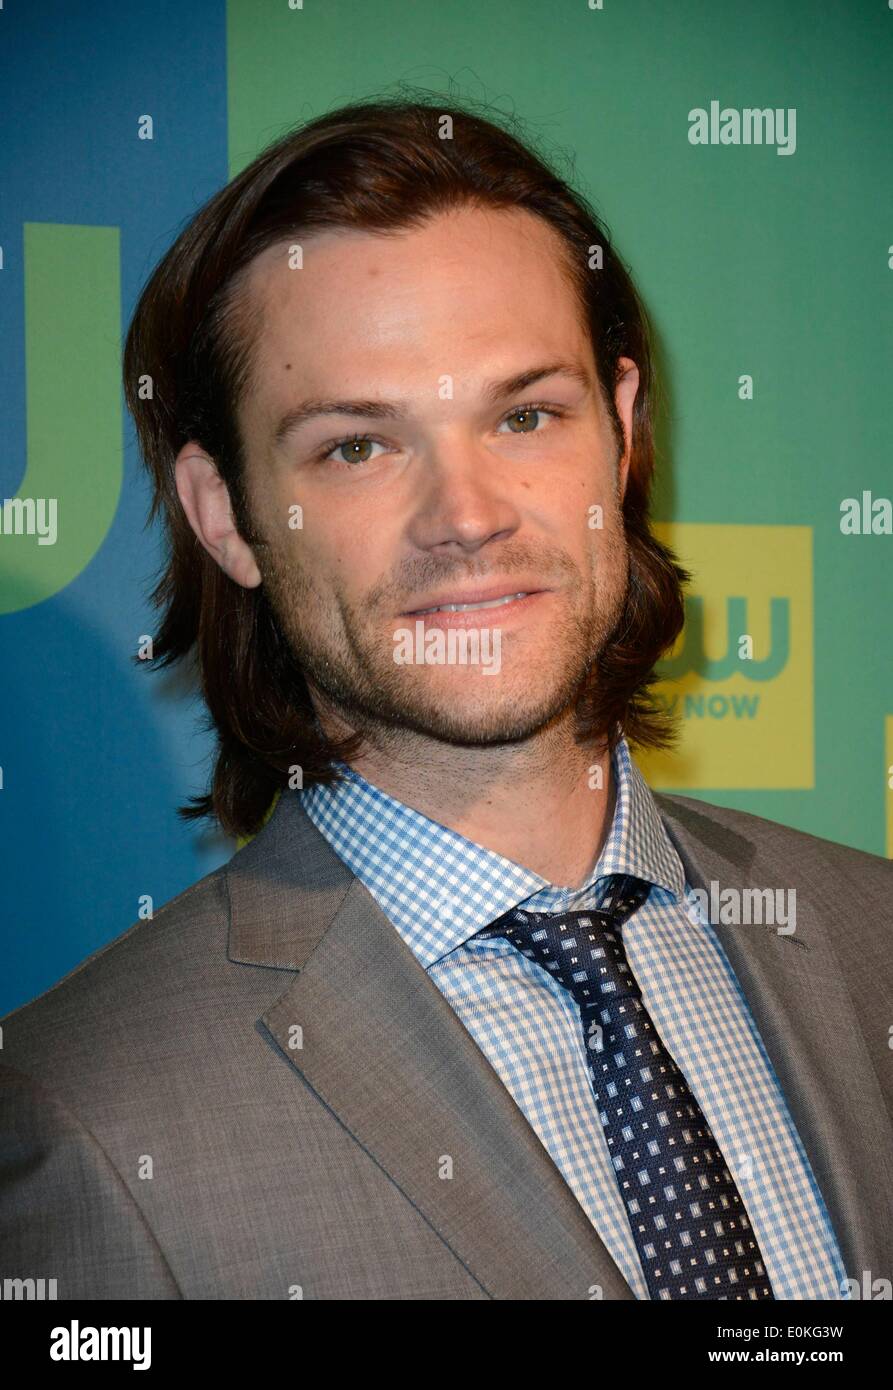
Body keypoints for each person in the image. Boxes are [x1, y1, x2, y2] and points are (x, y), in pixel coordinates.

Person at [1, 97, 890, 1302]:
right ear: (226, 515)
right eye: (357, 446)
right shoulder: (87, 1112)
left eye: (525, 415)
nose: (467, 516)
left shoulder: (867, 937)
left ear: (618, 436)